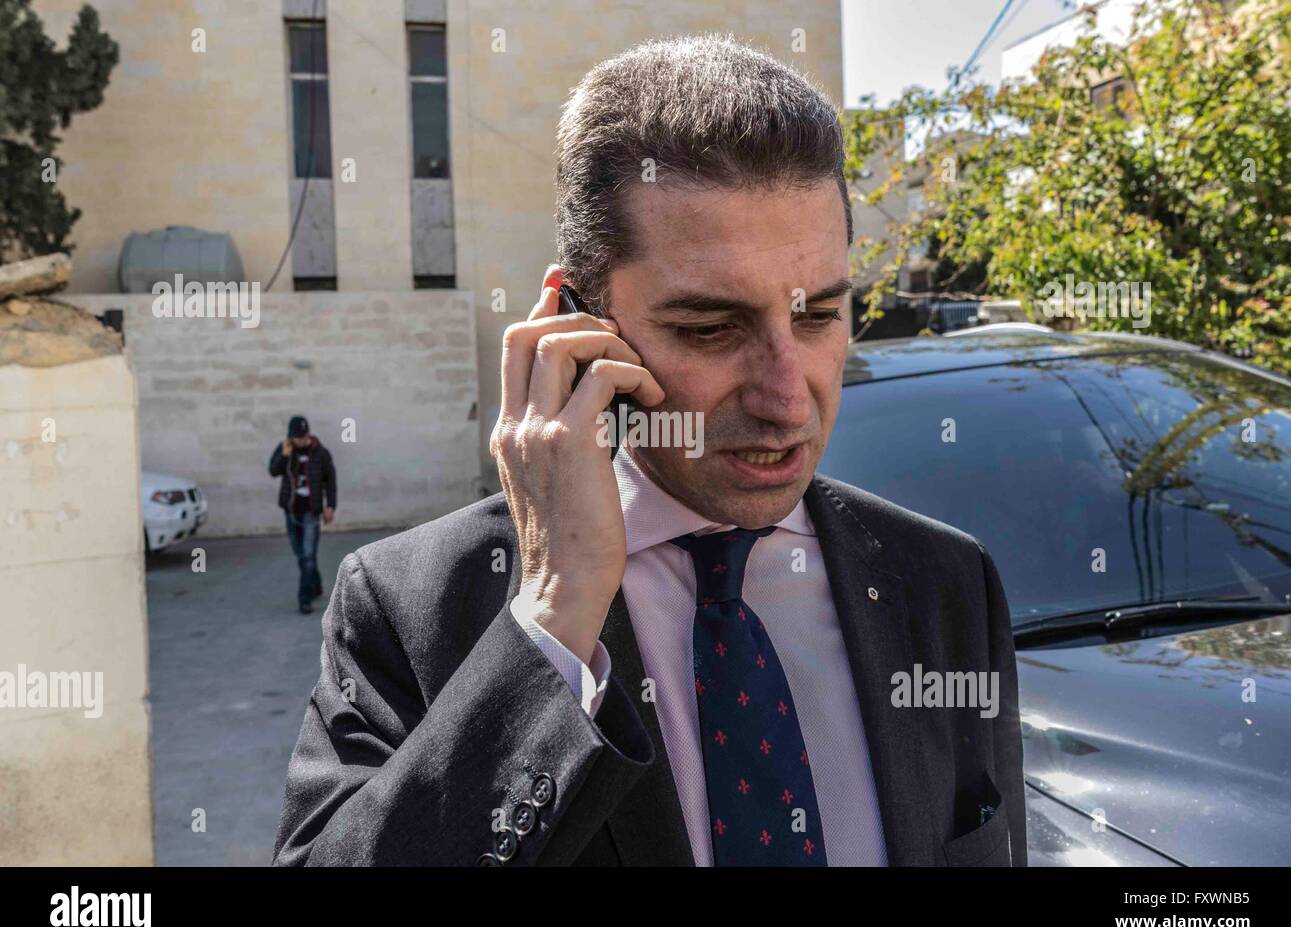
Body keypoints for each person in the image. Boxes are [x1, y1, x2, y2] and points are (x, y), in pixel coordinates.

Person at [273, 35, 1025, 866]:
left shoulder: (946, 584)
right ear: (577, 321)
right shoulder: (414, 609)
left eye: (818, 318)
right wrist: (555, 616)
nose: (786, 396)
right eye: (710, 328)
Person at [268, 415, 336, 614]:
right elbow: (273, 471)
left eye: (300, 436)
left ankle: (304, 599)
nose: (297, 440)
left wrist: (330, 506)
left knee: (307, 555)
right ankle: (315, 585)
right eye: (293, 437)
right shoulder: (286, 449)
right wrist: (284, 455)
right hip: (291, 510)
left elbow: (330, 482)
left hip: (311, 512)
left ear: (307, 434)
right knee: (301, 555)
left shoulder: (320, 453)